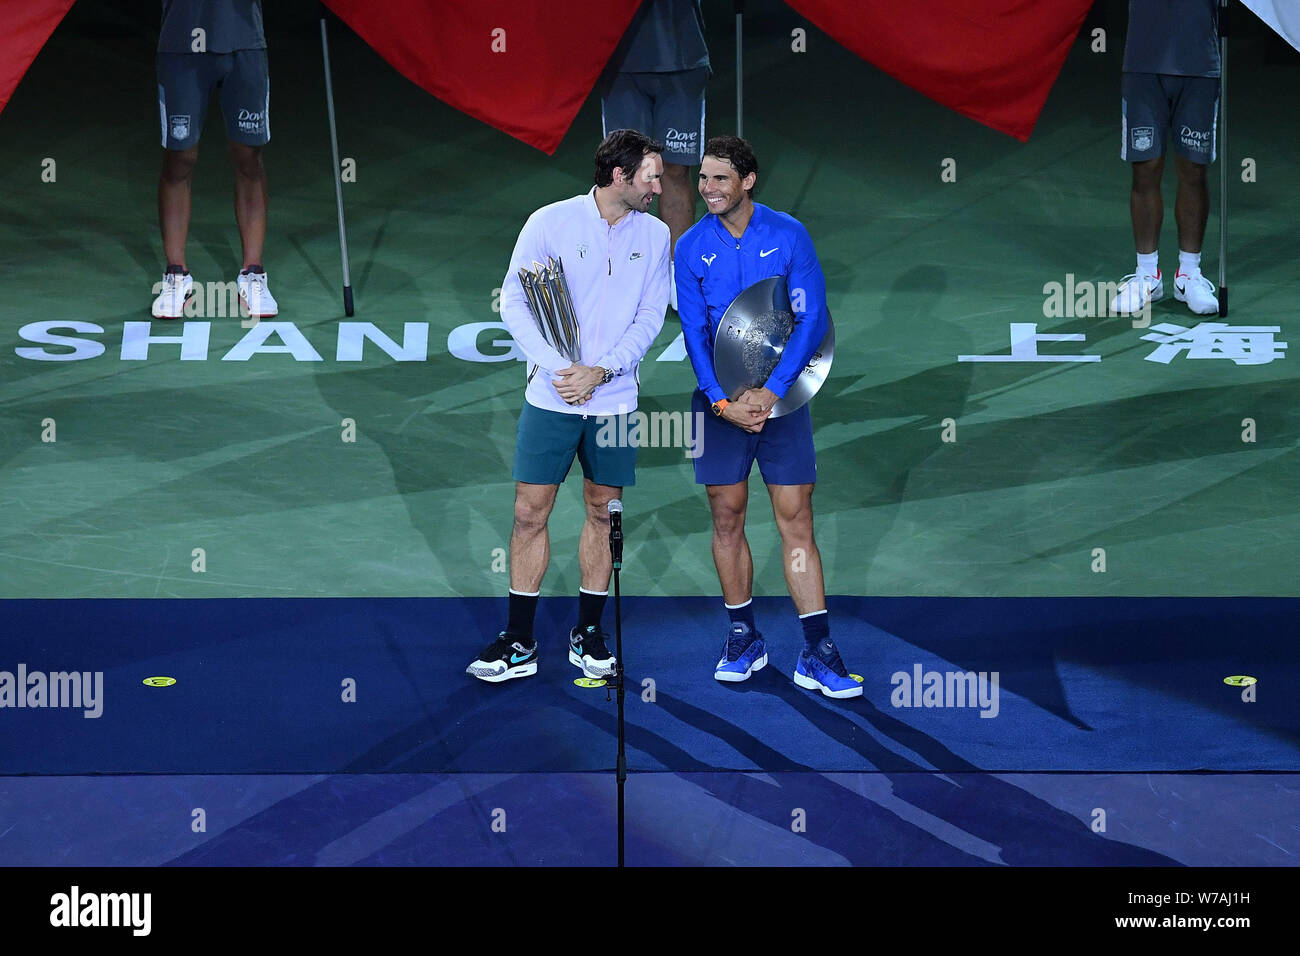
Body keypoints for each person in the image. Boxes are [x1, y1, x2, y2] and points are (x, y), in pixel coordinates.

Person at [467, 129, 670, 683]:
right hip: (551, 395)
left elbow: (651, 316)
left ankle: (587, 632)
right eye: (650, 175)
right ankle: (519, 640)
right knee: (529, 511)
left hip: (613, 399)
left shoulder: (655, 235)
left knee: (603, 511)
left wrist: (603, 370)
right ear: (619, 176)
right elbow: (513, 297)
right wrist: (558, 368)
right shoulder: (549, 222)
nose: (659, 186)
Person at [674, 135, 861, 700]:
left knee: (795, 518)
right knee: (727, 517)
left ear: (747, 181)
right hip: (719, 405)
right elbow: (693, 331)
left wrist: (773, 394)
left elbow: (811, 319)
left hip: (784, 404)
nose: (707, 189)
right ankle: (742, 636)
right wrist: (720, 400)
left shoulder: (788, 234)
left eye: (719, 179)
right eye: (703, 179)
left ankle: (818, 650)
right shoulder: (689, 247)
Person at [152, 0, 277, 320]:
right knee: (179, 159)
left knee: (249, 158)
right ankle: (176, 274)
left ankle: (253, 273)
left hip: (244, 43)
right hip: (182, 44)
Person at [1109, 0, 1221, 316]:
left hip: (1199, 63)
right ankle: (1147, 275)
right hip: (1143, 63)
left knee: (1193, 170)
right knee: (1145, 168)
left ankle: (1189, 274)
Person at [600, 0, 710, 310]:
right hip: (621, 60)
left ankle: (679, 276)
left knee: (675, 171)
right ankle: (628, 271)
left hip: (682, 56)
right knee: (624, 173)